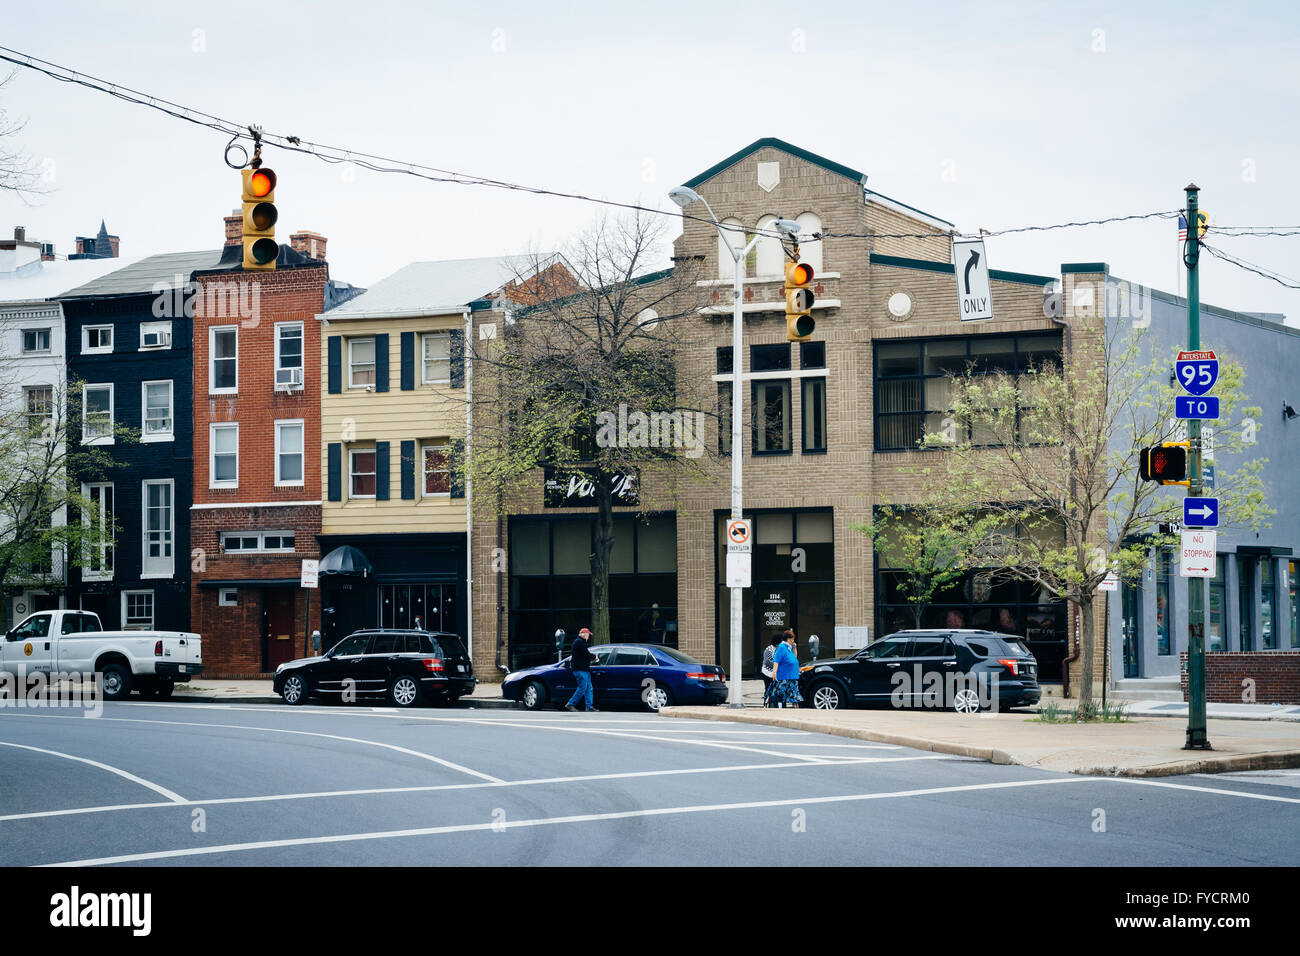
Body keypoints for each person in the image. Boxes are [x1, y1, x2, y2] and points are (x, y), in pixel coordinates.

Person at [565, 627, 599, 712]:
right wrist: (594, 657)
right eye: (588, 635)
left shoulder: (580, 642)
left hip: (584, 670)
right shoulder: (579, 642)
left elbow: (584, 655)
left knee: (589, 688)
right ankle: (570, 704)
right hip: (580, 670)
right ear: (584, 635)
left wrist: (592, 658)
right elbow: (586, 654)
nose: (589, 636)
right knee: (582, 688)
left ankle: (589, 706)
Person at [769, 630, 804, 709]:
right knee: (781, 696)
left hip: (792, 677)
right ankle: (781, 710)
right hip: (784, 677)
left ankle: (795, 712)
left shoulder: (788, 647)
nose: (793, 640)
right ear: (788, 639)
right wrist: (774, 673)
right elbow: (776, 660)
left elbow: (794, 658)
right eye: (792, 639)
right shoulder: (781, 647)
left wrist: (794, 648)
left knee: (794, 697)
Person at [760, 634, 782, 707]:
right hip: (767, 673)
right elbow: (768, 661)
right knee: (768, 689)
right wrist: (778, 664)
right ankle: (766, 704)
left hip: (776, 673)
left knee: (776, 690)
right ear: (777, 643)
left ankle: (775, 704)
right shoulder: (769, 649)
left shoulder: (780, 650)